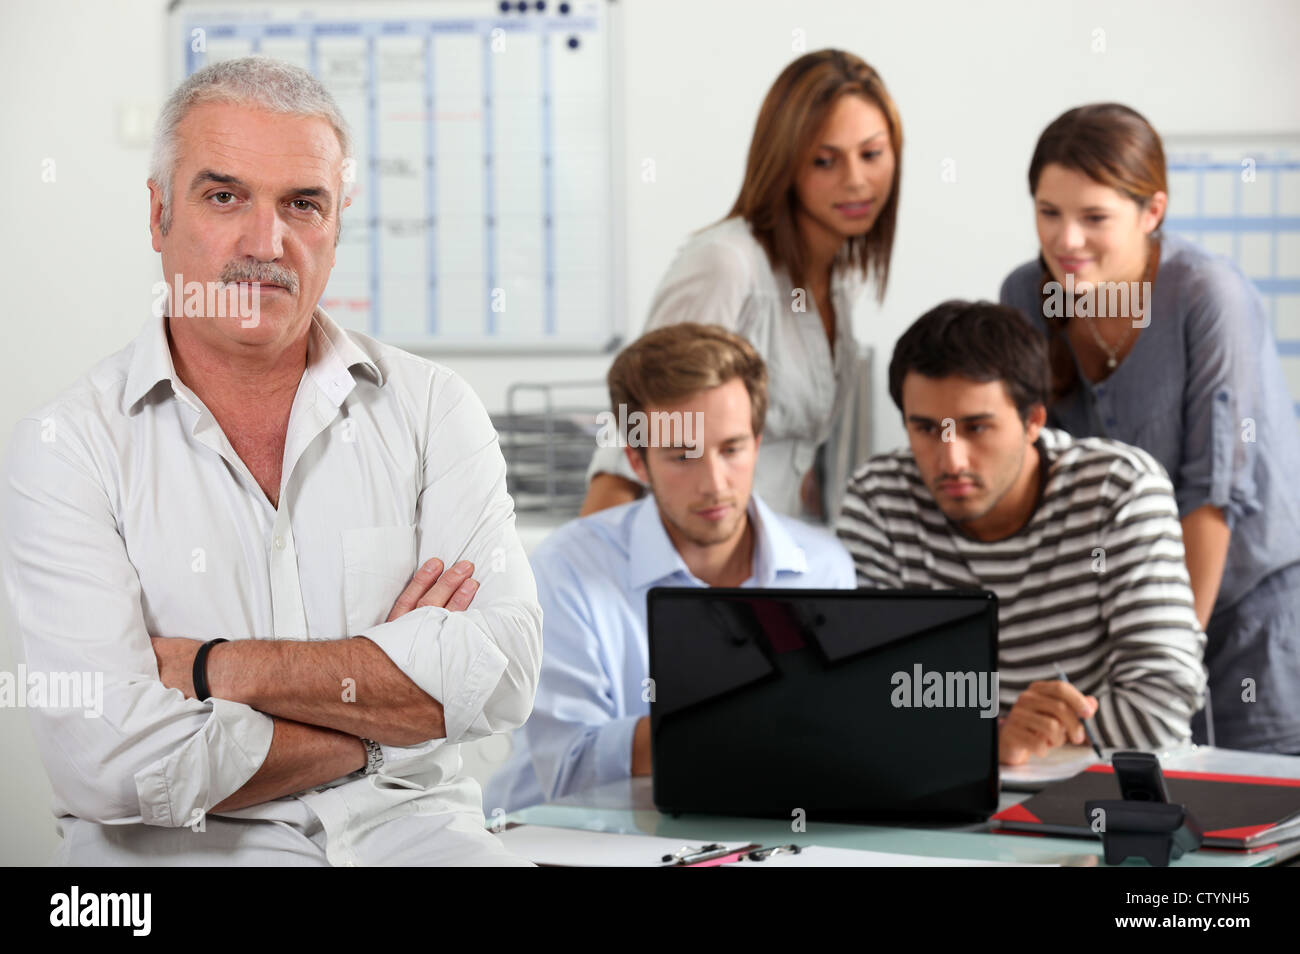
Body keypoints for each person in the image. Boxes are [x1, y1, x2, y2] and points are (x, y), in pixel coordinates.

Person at [0, 57, 542, 865]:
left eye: (303, 204)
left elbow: (502, 676)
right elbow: (108, 764)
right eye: (224, 196)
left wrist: (218, 669)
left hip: (421, 841)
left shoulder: (433, 408)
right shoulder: (67, 448)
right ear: (158, 216)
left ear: (337, 223)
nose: (266, 241)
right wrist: (386, 720)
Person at [999, 103, 1300, 754]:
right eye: (1049, 213)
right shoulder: (1025, 294)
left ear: (1152, 212)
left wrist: (1167, 663)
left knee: (1257, 819)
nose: (1066, 240)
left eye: (1094, 217)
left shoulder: (1206, 294)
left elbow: (1208, 495)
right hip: (1119, 613)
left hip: (1248, 610)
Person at [485, 323, 855, 813]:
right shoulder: (568, 568)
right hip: (563, 841)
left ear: (757, 442)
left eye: (732, 449)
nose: (715, 483)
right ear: (638, 462)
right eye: (683, 456)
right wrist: (736, 721)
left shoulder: (824, 567)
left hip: (746, 830)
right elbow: (571, 766)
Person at [835, 301, 1206, 765]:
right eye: (926, 428)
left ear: (1033, 420)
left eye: (976, 427)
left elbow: (1164, 705)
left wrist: (1005, 741)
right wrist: (995, 740)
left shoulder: (1119, 489)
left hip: (1091, 790)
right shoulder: (879, 497)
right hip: (936, 787)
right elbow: (857, 701)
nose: (951, 461)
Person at [581, 48, 903, 521]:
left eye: (871, 154)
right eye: (824, 161)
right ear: (785, 163)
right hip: (690, 568)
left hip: (768, 564)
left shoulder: (836, 284)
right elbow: (634, 431)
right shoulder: (726, 264)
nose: (856, 180)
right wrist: (593, 573)